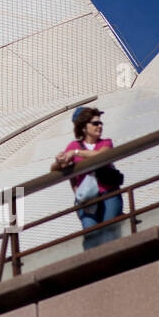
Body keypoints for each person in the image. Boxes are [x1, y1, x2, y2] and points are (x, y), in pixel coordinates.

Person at [51, 106, 124, 250]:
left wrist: (76, 153)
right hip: (86, 199)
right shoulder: (73, 146)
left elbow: (100, 155)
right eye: (95, 123)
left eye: (100, 122)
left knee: (110, 233)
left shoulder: (105, 143)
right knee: (91, 236)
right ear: (84, 128)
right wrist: (60, 161)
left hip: (109, 193)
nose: (100, 126)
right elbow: (55, 168)